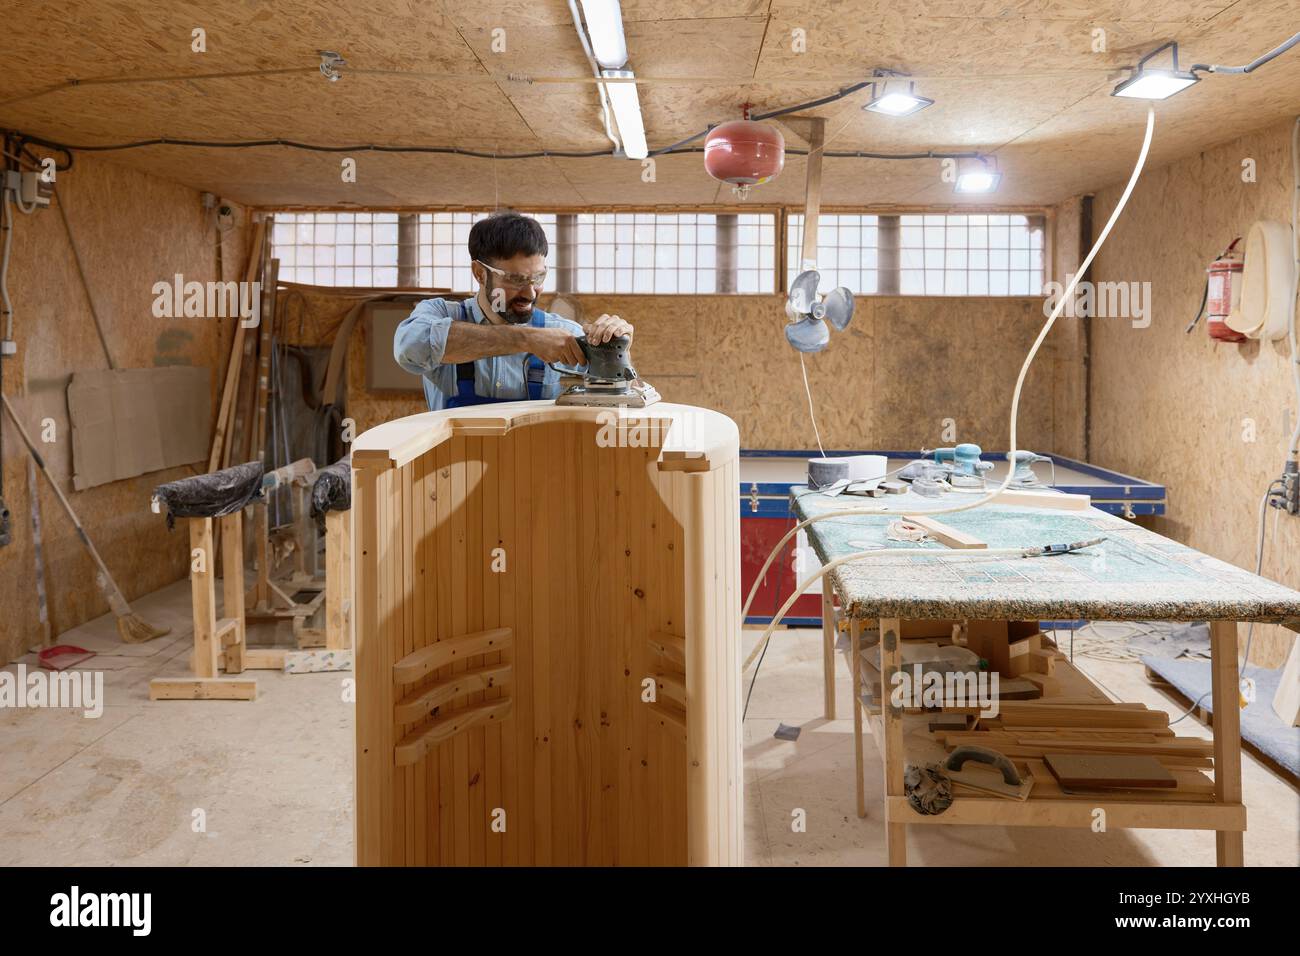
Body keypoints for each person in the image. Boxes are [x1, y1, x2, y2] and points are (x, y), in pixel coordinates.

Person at [394, 211, 633, 409]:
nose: (530, 294)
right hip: (456, 466)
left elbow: (623, 397)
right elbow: (410, 348)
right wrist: (526, 339)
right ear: (479, 273)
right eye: (515, 280)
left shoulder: (561, 333)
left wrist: (614, 347)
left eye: (538, 277)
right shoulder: (440, 314)